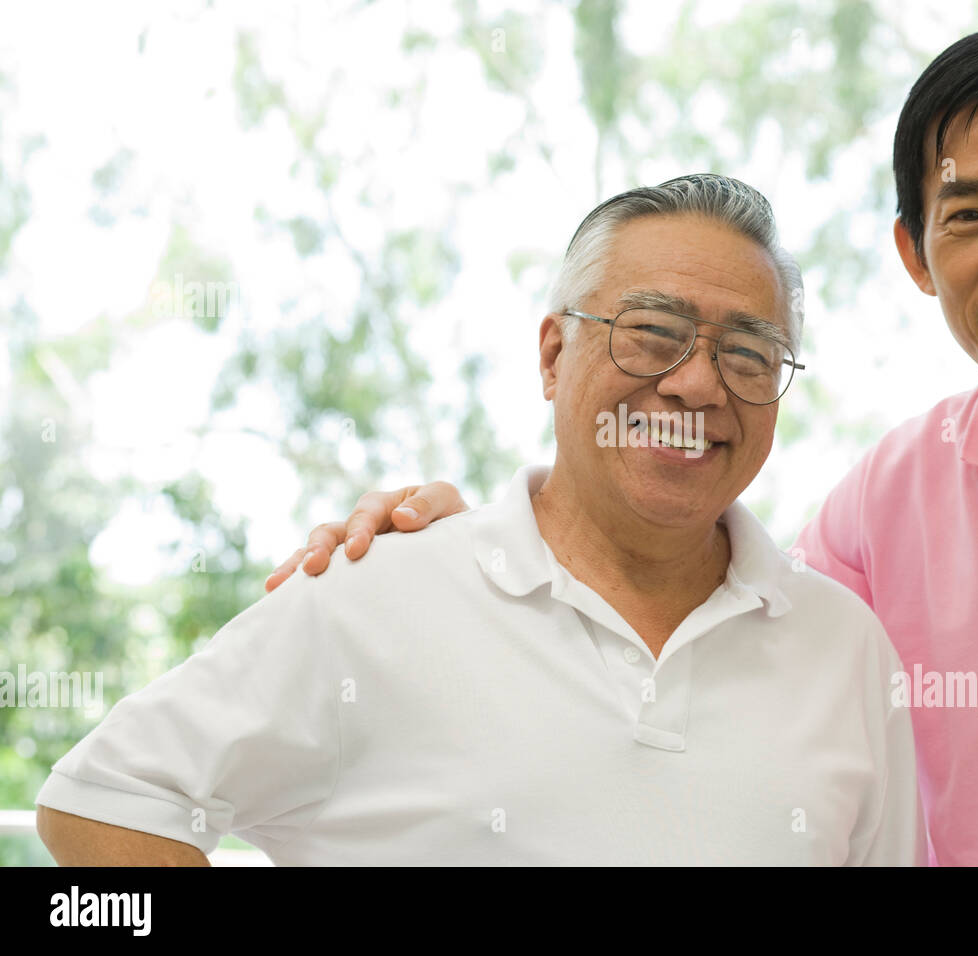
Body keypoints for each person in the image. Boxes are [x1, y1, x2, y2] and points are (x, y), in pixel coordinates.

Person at [279, 24, 978, 865]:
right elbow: (711, 631)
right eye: (969, 214)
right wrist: (491, 549)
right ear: (914, 253)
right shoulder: (887, 494)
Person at [35, 174, 925, 866]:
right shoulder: (376, 592)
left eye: (746, 352)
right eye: (652, 331)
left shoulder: (844, 648)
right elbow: (100, 803)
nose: (697, 383)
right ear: (552, 355)